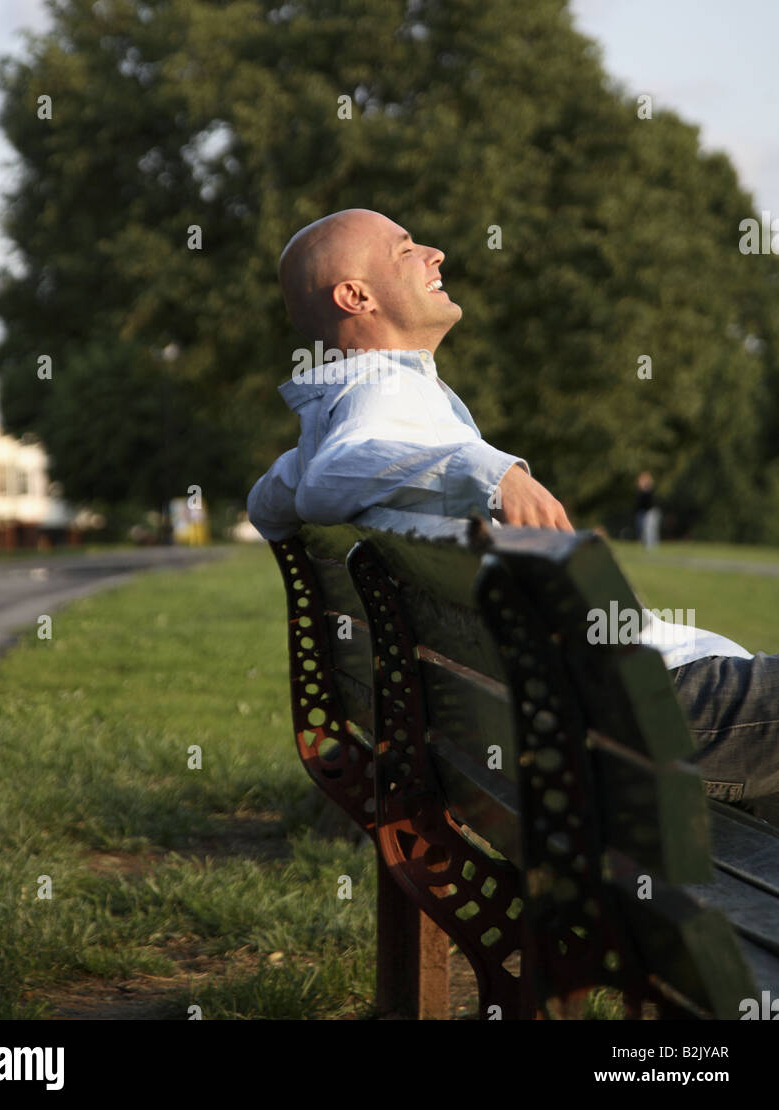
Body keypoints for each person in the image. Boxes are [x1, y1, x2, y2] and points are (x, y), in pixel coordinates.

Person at [248, 209, 779, 819]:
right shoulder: (386, 394)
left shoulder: (348, 404)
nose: (435, 253)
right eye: (405, 250)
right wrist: (485, 469)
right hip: (649, 713)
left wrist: (292, 478)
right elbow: (327, 480)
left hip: (569, 725)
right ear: (356, 295)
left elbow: (280, 496)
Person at [634, 472, 661, 549]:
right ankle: (645, 545)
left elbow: (651, 502)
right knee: (642, 530)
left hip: (650, 512)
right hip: (642, 512)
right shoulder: (639, 492)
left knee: (650, 530)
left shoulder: (650, 491)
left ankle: (651, 546)